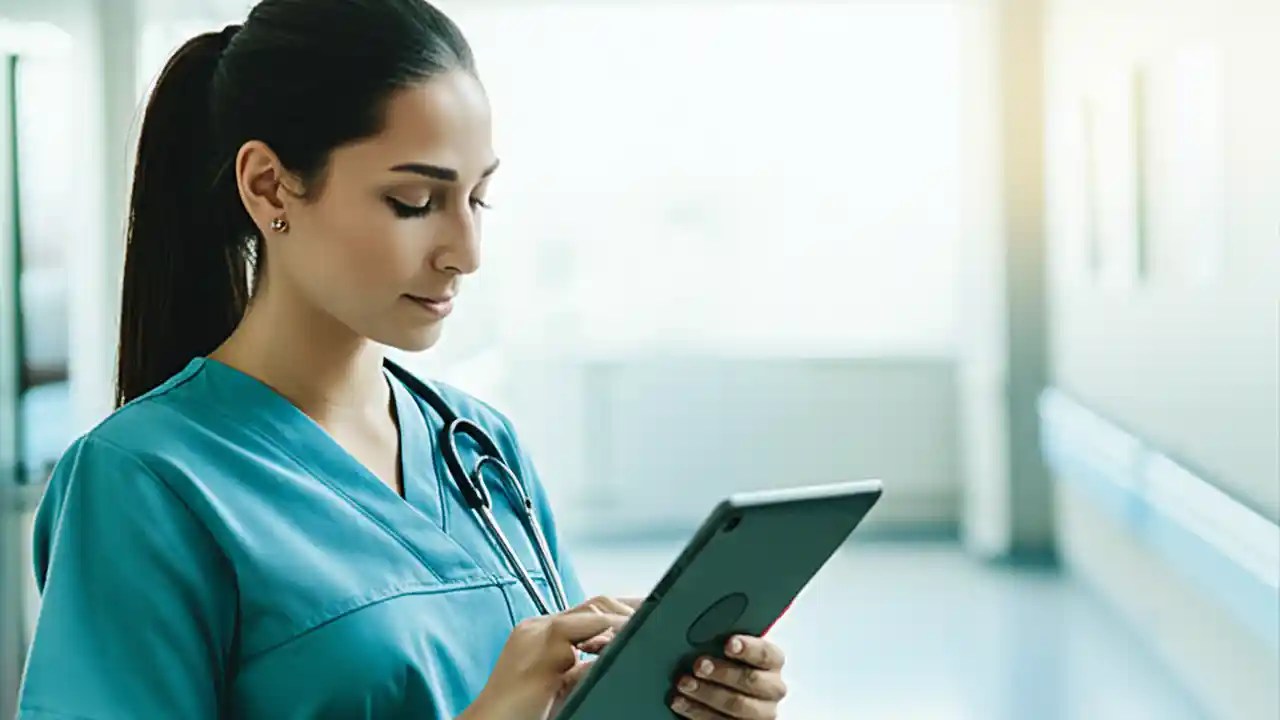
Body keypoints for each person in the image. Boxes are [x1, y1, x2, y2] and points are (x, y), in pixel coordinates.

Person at [15, 1, 790, 718]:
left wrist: (678, 703)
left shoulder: (480, 445)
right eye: (415, 203)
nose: (466, 252)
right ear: (269, 187)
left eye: (477, 199)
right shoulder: (142, 484)